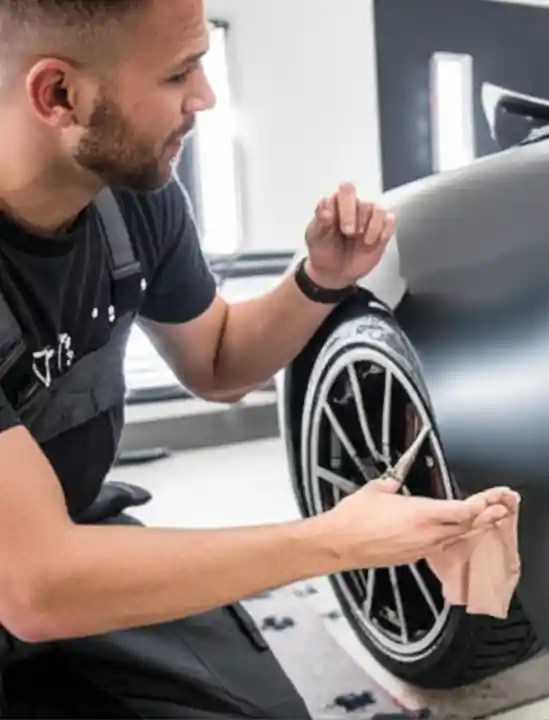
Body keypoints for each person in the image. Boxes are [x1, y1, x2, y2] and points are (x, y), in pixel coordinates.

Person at [0, 0, 519, 716]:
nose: (206, 98)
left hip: (69, 539)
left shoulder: (133, 203)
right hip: (34, 574)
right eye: (179, 74)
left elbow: (217, 362)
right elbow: (35, 587)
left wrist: (319, 280)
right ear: (59, 94)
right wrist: (337, 542)